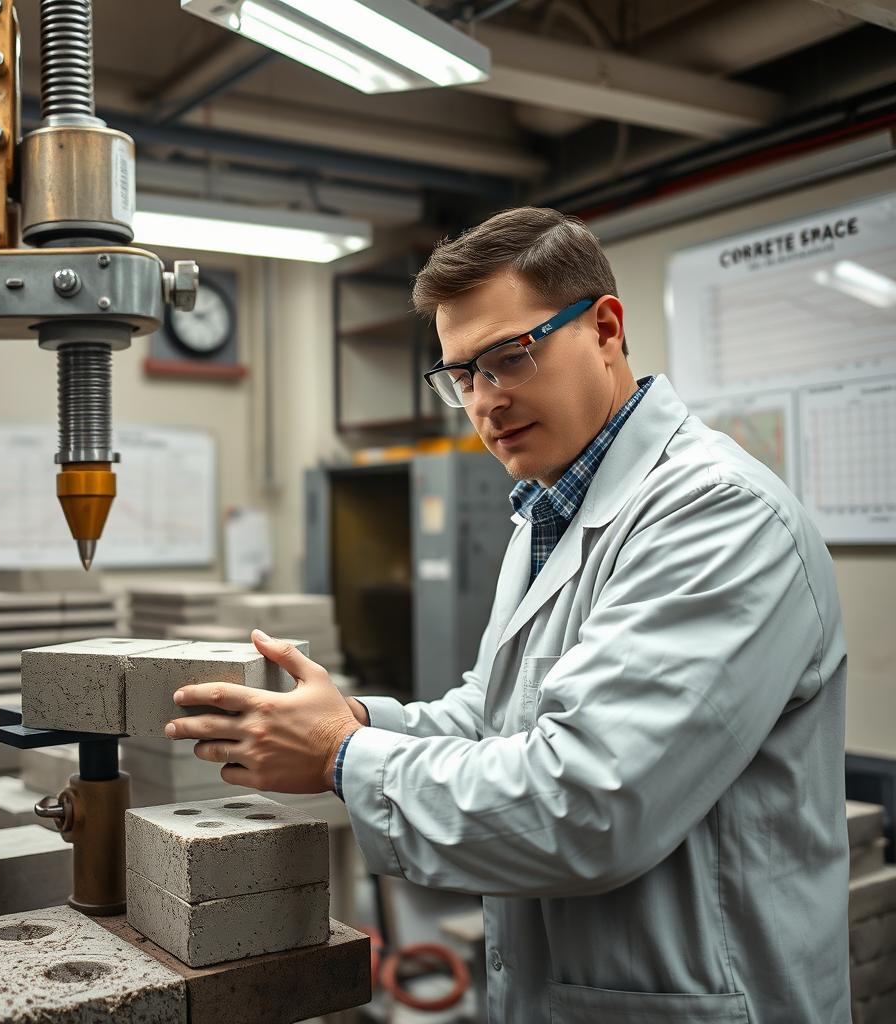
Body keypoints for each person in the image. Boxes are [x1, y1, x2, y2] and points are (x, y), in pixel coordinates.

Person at [165, 208, 850, 1024]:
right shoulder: (547, 513)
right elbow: (495, 719)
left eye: (509, 357)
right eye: (461, 376)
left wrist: (342, 756)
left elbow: (592, 803)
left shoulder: (718, 516)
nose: (485, 402)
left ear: (605, 328)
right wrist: (354, 717)